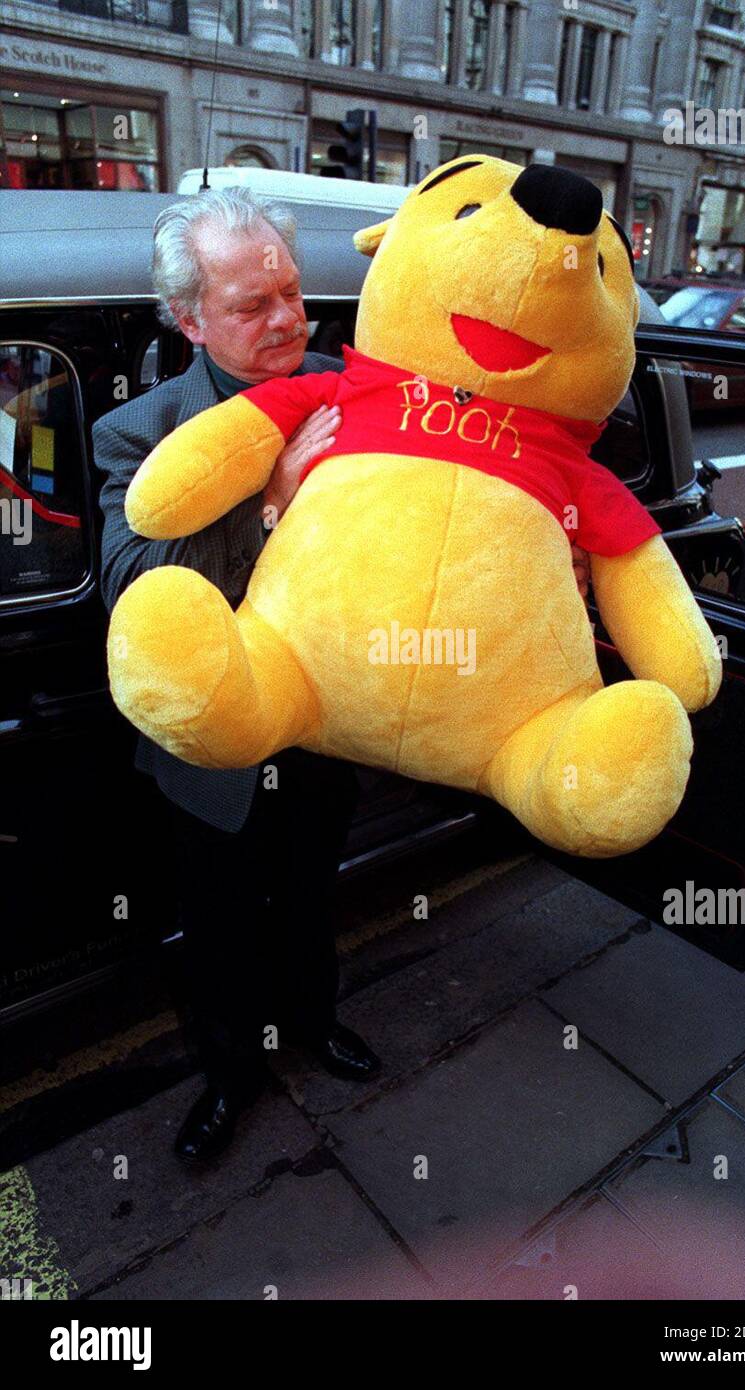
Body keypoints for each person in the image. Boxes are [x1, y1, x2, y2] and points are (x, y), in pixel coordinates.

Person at [94, 187, 380, 1163]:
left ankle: (309, 1021)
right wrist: (271, 503)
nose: (287, 322)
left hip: (320, 725)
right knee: (216, 929)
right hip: (210, 750)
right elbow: (136, 598)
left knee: (309, 897)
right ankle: (231, 1075)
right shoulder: (137, 437)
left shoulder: (354, 391)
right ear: (189, 320)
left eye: (292, 295)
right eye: (252, 307)